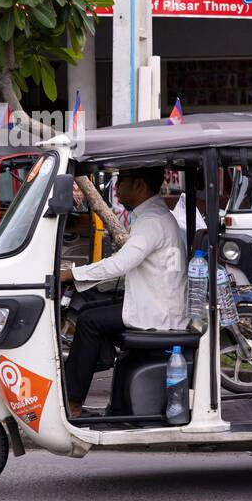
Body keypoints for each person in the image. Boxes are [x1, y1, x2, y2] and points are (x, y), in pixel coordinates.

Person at [59, 167, 188, 417]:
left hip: (157, 312)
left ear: (139, 185)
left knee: (88, 321)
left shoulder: (152, 221)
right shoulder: (154, 215)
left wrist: (72, 274)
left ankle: (73, 403)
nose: (116, 188)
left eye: (121, 181)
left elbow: (121, 263)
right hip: (157, 301)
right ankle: (90, 369)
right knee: (88, 309)